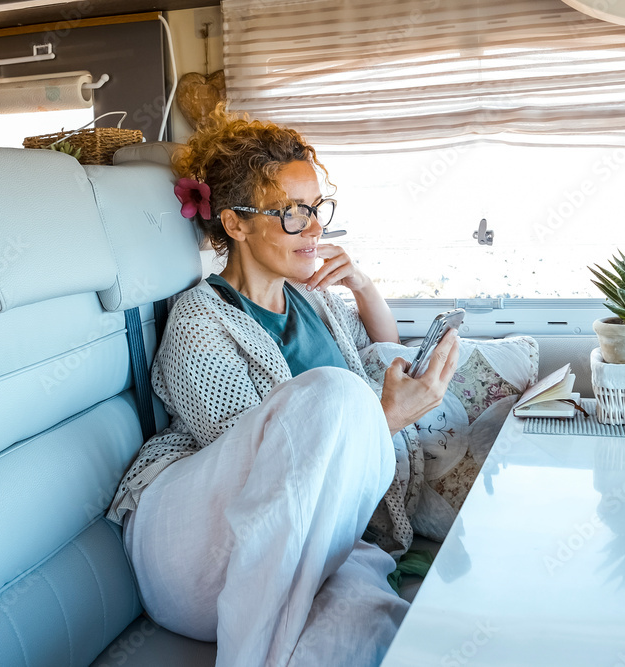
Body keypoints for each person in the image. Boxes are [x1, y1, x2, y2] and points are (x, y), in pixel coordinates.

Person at [107, 108, 459, 666]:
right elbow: (268, 462)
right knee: (337, 394)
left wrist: (363, 288)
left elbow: (376, 359)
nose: (314, 227)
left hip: (302, 549)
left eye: (316, 208)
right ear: (235, 224)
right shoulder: (202, 319)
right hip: (194, 547)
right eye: (292, 213)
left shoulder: (315, 298)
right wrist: (383, 418)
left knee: (376, 636)